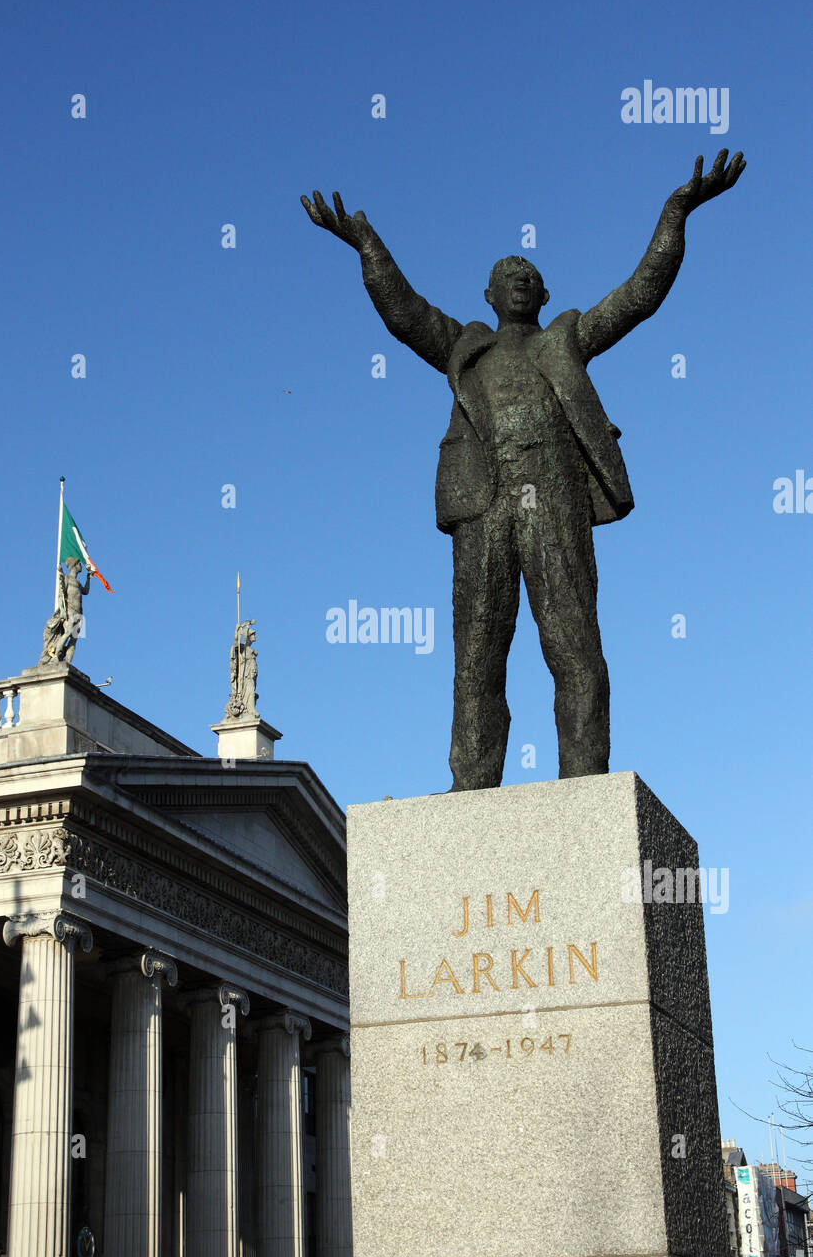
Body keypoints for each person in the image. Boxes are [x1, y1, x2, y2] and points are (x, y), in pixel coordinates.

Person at [301, 150, 745, 788]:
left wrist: (676, 212)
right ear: (487, 295)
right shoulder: (464, 349)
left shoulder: (564, 339)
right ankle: (472, 784)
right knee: (477, 655)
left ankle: (584, 781)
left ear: (544, 294)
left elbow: (640, 293)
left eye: (528, 273)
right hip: (482, 503)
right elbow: (403, 311)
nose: (517, 277)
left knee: (574, 645)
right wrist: (366, 244)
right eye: (505, 273)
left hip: (554, 495)